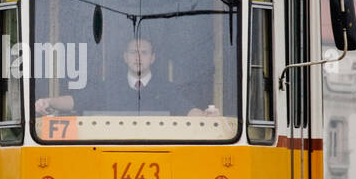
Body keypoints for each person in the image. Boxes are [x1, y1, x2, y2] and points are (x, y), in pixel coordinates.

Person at [34, 37, 218, 117]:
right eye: (133, 52)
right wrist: (49, 101)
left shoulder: (166, 88)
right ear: (125, 57)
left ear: (153, 58)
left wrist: (206, 117)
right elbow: (77, 100)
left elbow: (186, 109)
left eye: (144, 53)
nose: (138, 57)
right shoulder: (109, 86)